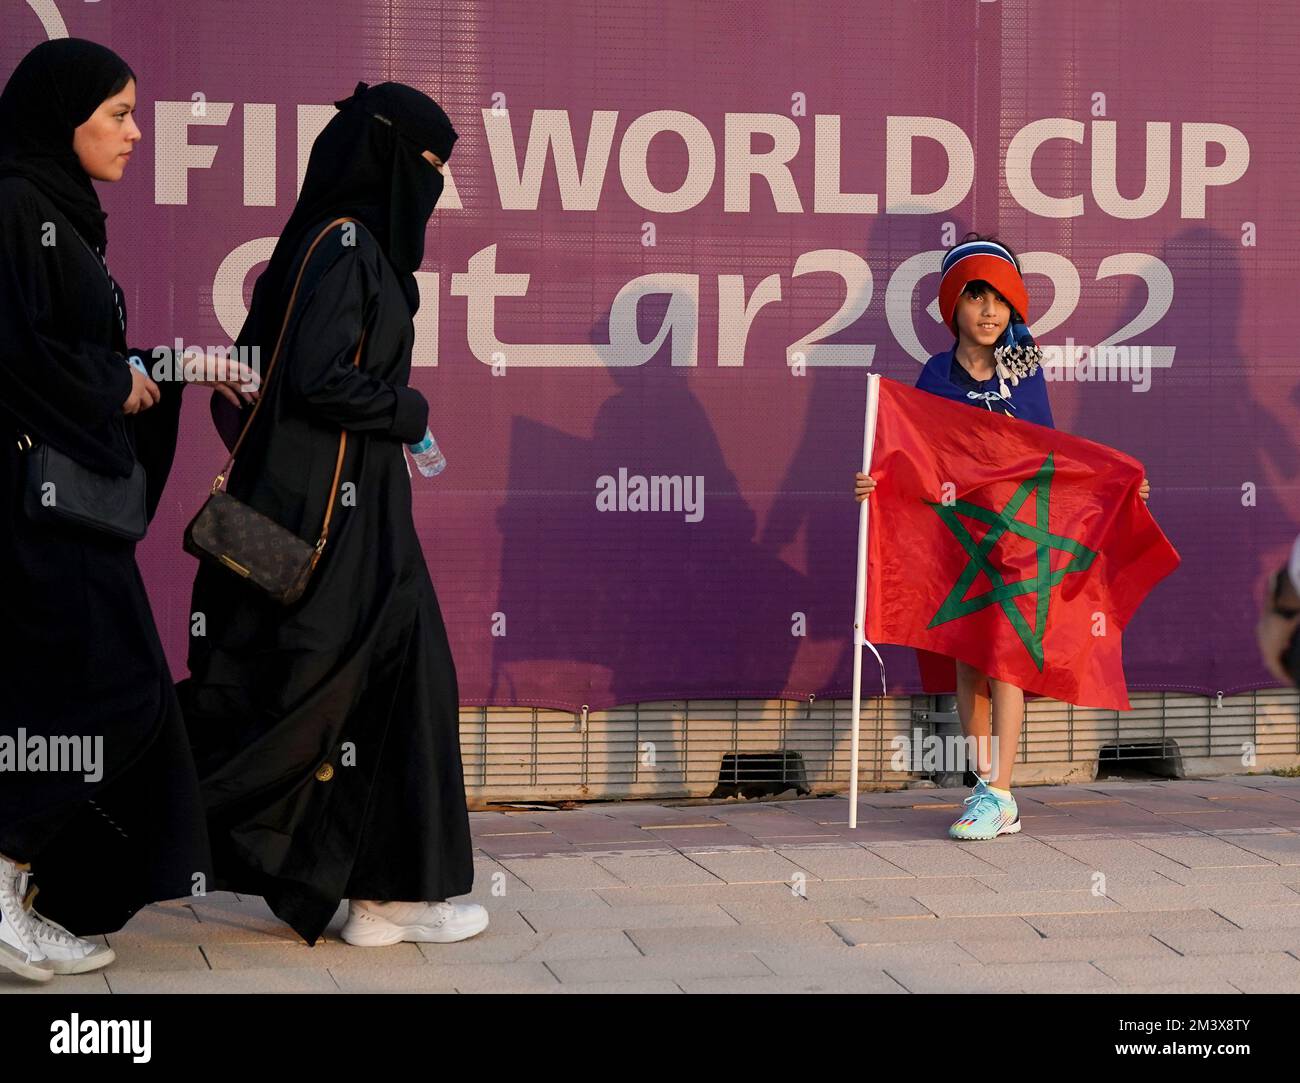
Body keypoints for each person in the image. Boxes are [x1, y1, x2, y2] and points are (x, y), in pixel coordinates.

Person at [177, 81, 487, 948]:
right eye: (427, 165)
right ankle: (74, 830)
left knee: (378, 693)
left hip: (353, 518)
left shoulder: (322, 243)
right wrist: (408, 413)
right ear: (387, 159)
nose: (435, 185)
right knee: (314, 707)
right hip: (340, 531)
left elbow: (252, 373)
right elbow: (313, 376)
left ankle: (381, 895)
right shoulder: (348, 246)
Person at [0, 38, 238, 982]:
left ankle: (19, 883)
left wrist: (166, 369)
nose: (137, 133)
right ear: (66, 118)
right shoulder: (17, 207)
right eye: (119, 114)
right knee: (107, 691)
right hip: (34, 513)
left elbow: (73, 349)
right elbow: (20, 357)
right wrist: (114, 379)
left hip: (65, 512)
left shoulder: (56, 211)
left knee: (86, 691)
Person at [854, 234, 1151, 840]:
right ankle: (984, 788)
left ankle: (1002, 792)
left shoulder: (1023, 363)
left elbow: (1048, 454)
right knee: (969, 660)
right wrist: (877, 482)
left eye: (1000, 298)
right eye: (975, 297)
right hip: (959, 540)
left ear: (1014, 306)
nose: (988, 311)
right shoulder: (935, 373)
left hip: (1017, 538)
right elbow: (917, 456)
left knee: (1007, 659)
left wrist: (1111, 485)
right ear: (952, 308)